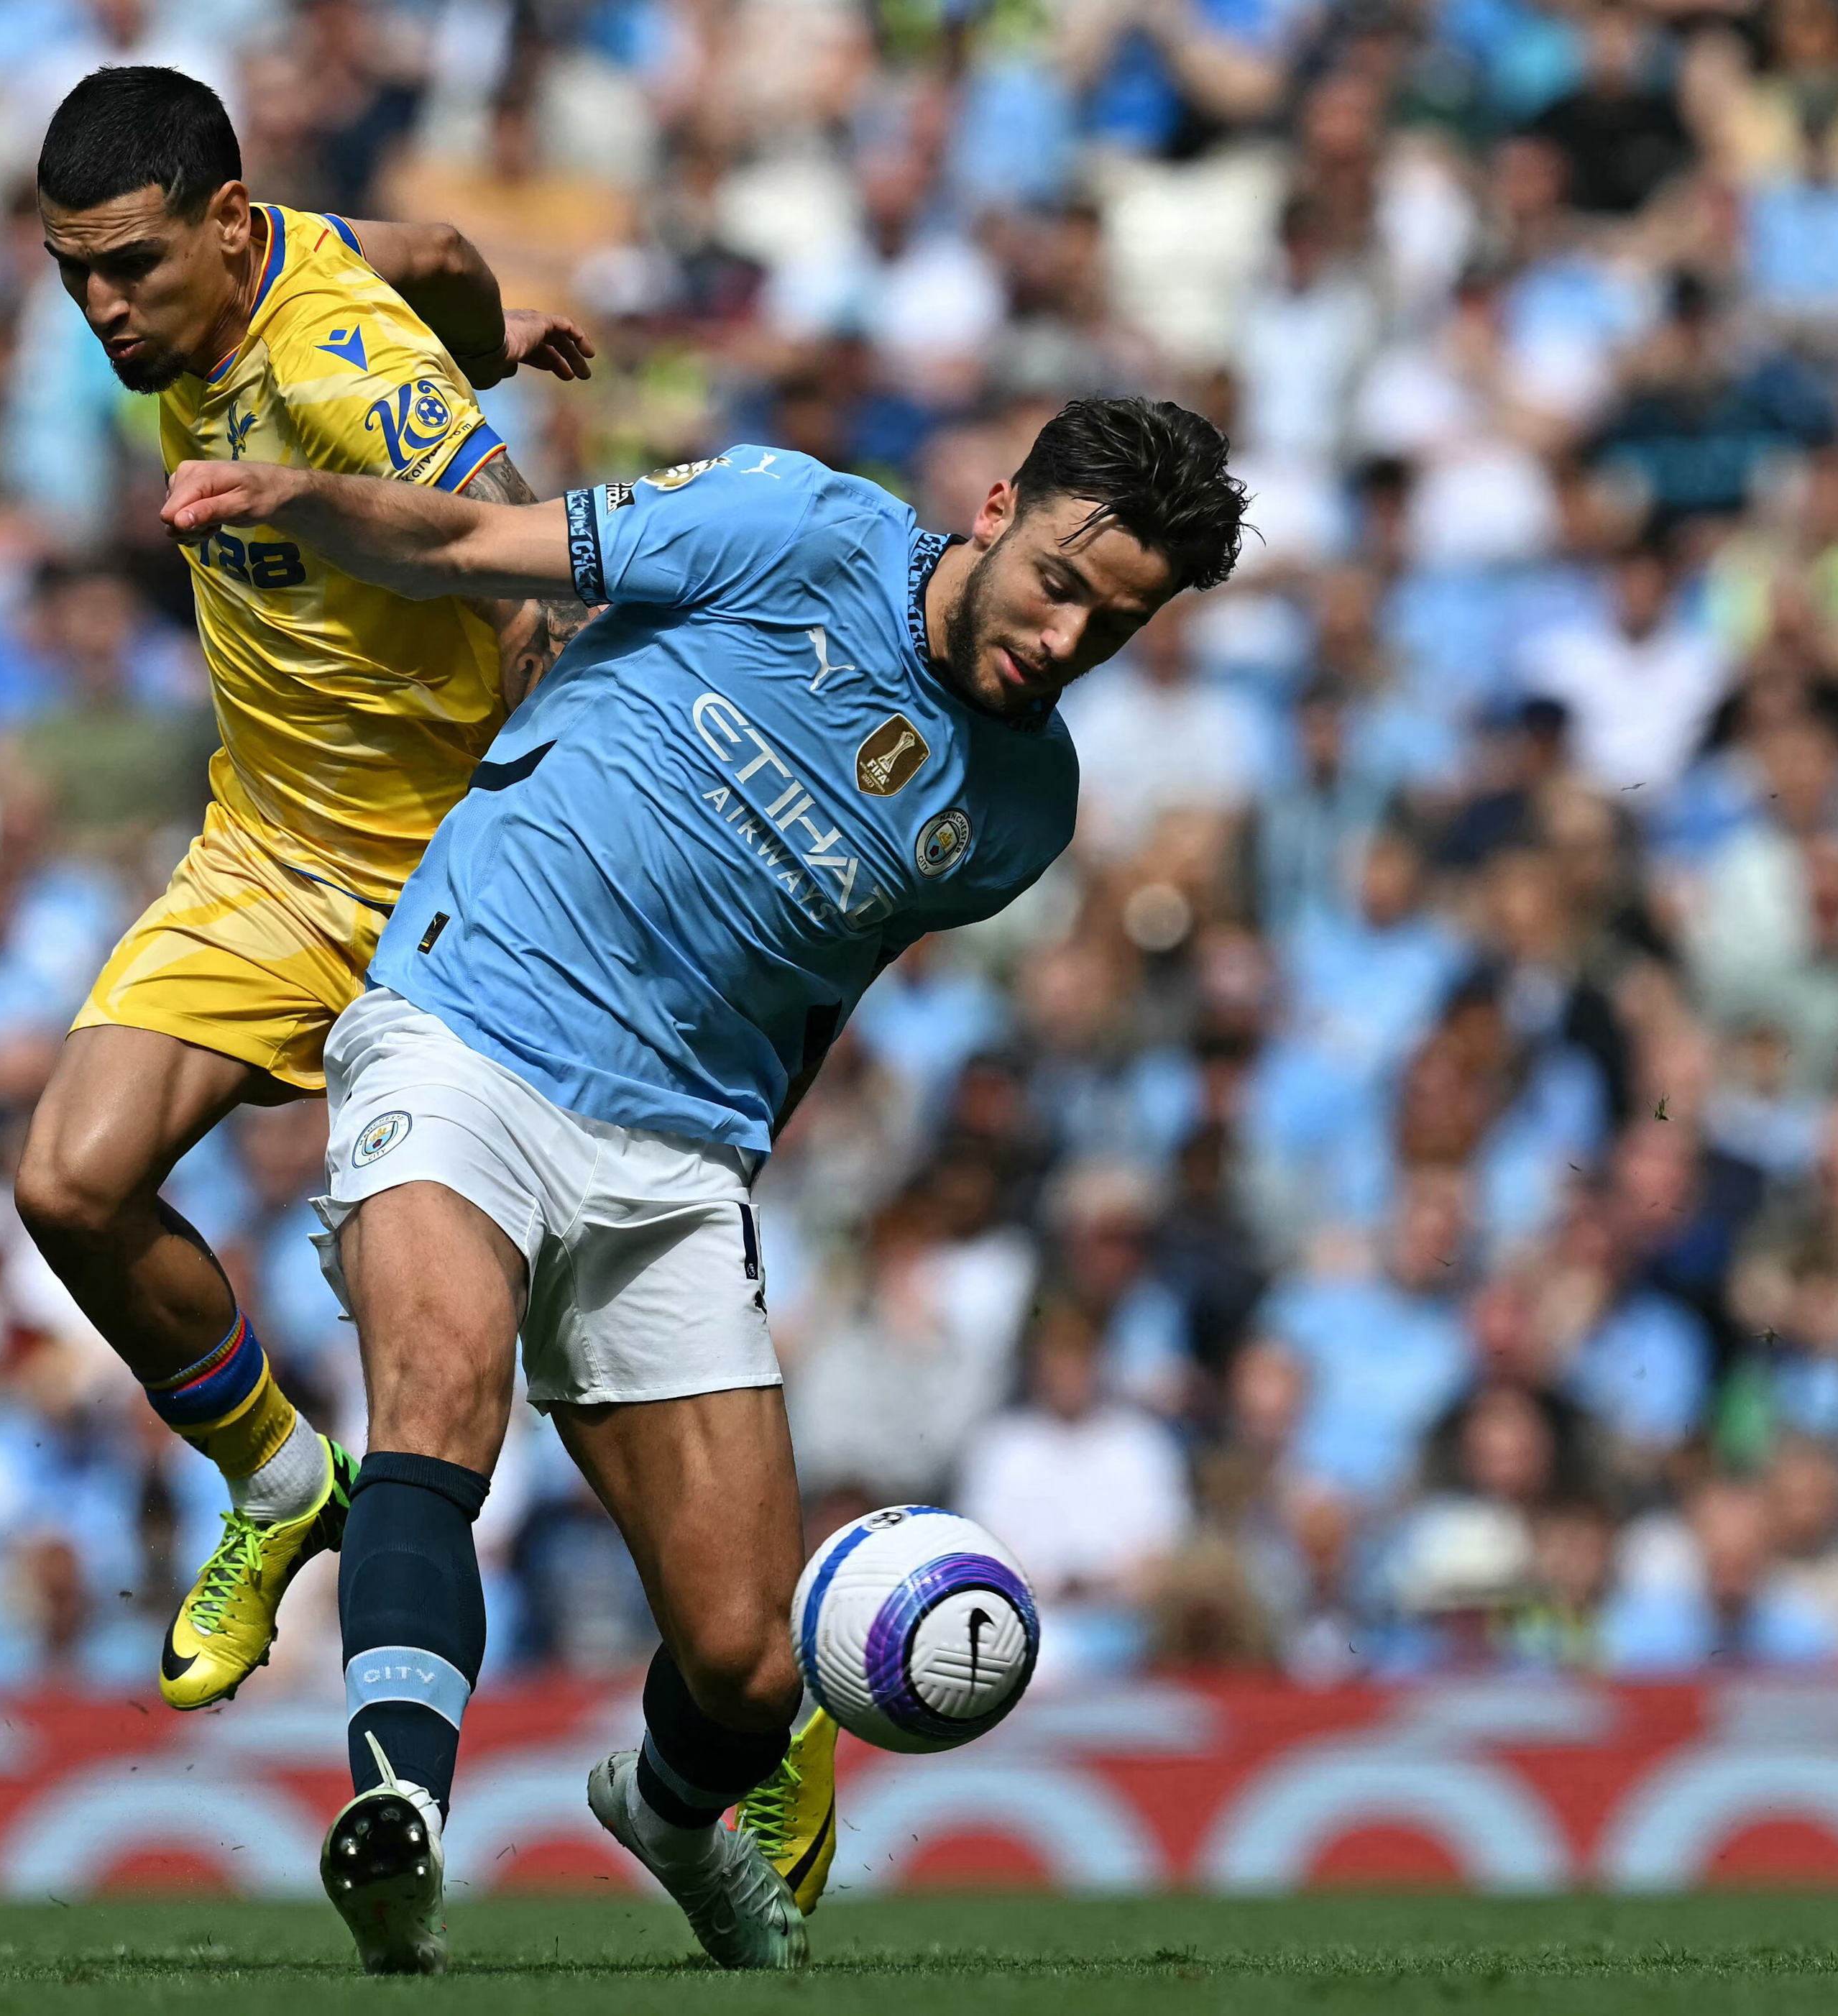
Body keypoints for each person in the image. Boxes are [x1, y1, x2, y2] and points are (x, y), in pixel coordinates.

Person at [152, 396, 1246, 1968]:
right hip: (468, 1023)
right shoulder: (796, 529)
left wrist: (735, 1163)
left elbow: (820, 994)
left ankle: (666, 1814)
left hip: (677, 1154)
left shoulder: (1021, 814)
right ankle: (402, 1824)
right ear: (998, 506)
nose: (1070, 637)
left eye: (1118, 626)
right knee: (440, 1398)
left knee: (741, 1661)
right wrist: (294, 496)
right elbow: (471, 544)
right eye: (1063, 583)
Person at [6, 66, 598, 1714]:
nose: (105, 311)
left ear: (228, 225)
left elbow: (524, 563)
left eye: (130, 267)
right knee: (69, 1184)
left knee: (529, 1363)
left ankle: (745, 1674)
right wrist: (493, 334)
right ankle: (277, 1487)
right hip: (270, 851)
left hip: (448, 894)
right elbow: (434, 245)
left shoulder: (342, 376)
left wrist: (447, 396)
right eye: (74, 274)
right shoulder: (269, 266)